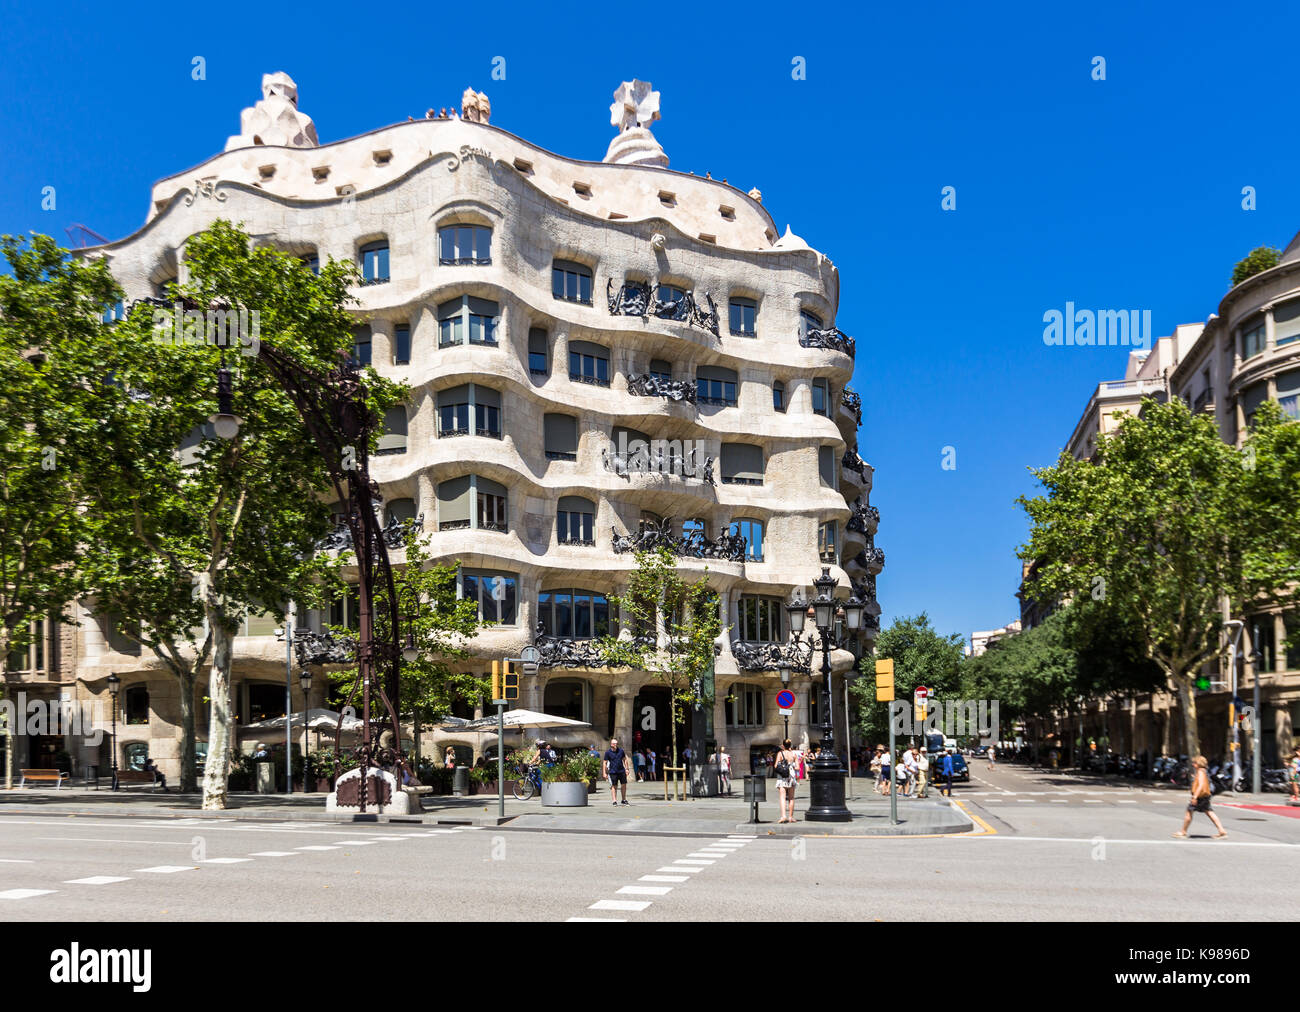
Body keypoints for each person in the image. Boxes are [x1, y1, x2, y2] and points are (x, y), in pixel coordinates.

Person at [1174, 755, 1227, 838]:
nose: (1193, 764)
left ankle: (1183, 832)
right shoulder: (1204, 771)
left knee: (1189, 812)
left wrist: (1195, 797)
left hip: (1200, 797)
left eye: (1194, 763)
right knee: (1209, 812)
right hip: (1205, 796)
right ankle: (1221, 831)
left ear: (1198, 763)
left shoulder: (1201, 772)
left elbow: (1201, 785)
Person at [774, 737, 801, 823]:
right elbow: (797, 768)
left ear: (783, 746)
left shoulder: (780, 753)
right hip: (791, 775)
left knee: (782, 797)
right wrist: (792, 765)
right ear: (790, 745)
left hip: (782, 776)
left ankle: (783, 816)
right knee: (791, 798)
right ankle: (791, 817)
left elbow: (775, 766)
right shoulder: (794, 754)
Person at [603, 736, 631, 805]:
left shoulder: (621, 751)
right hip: (612, 771)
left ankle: (623, 799)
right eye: (614, 743)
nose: (615, 745)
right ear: (611, 744)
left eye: (616, 743)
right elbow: (604, 762)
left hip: (621, 771)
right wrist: (604, 773)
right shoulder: (608, 752)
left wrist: (627, 769)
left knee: (624, 785)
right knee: (614, 786)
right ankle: (614, 800)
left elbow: (624, 760)